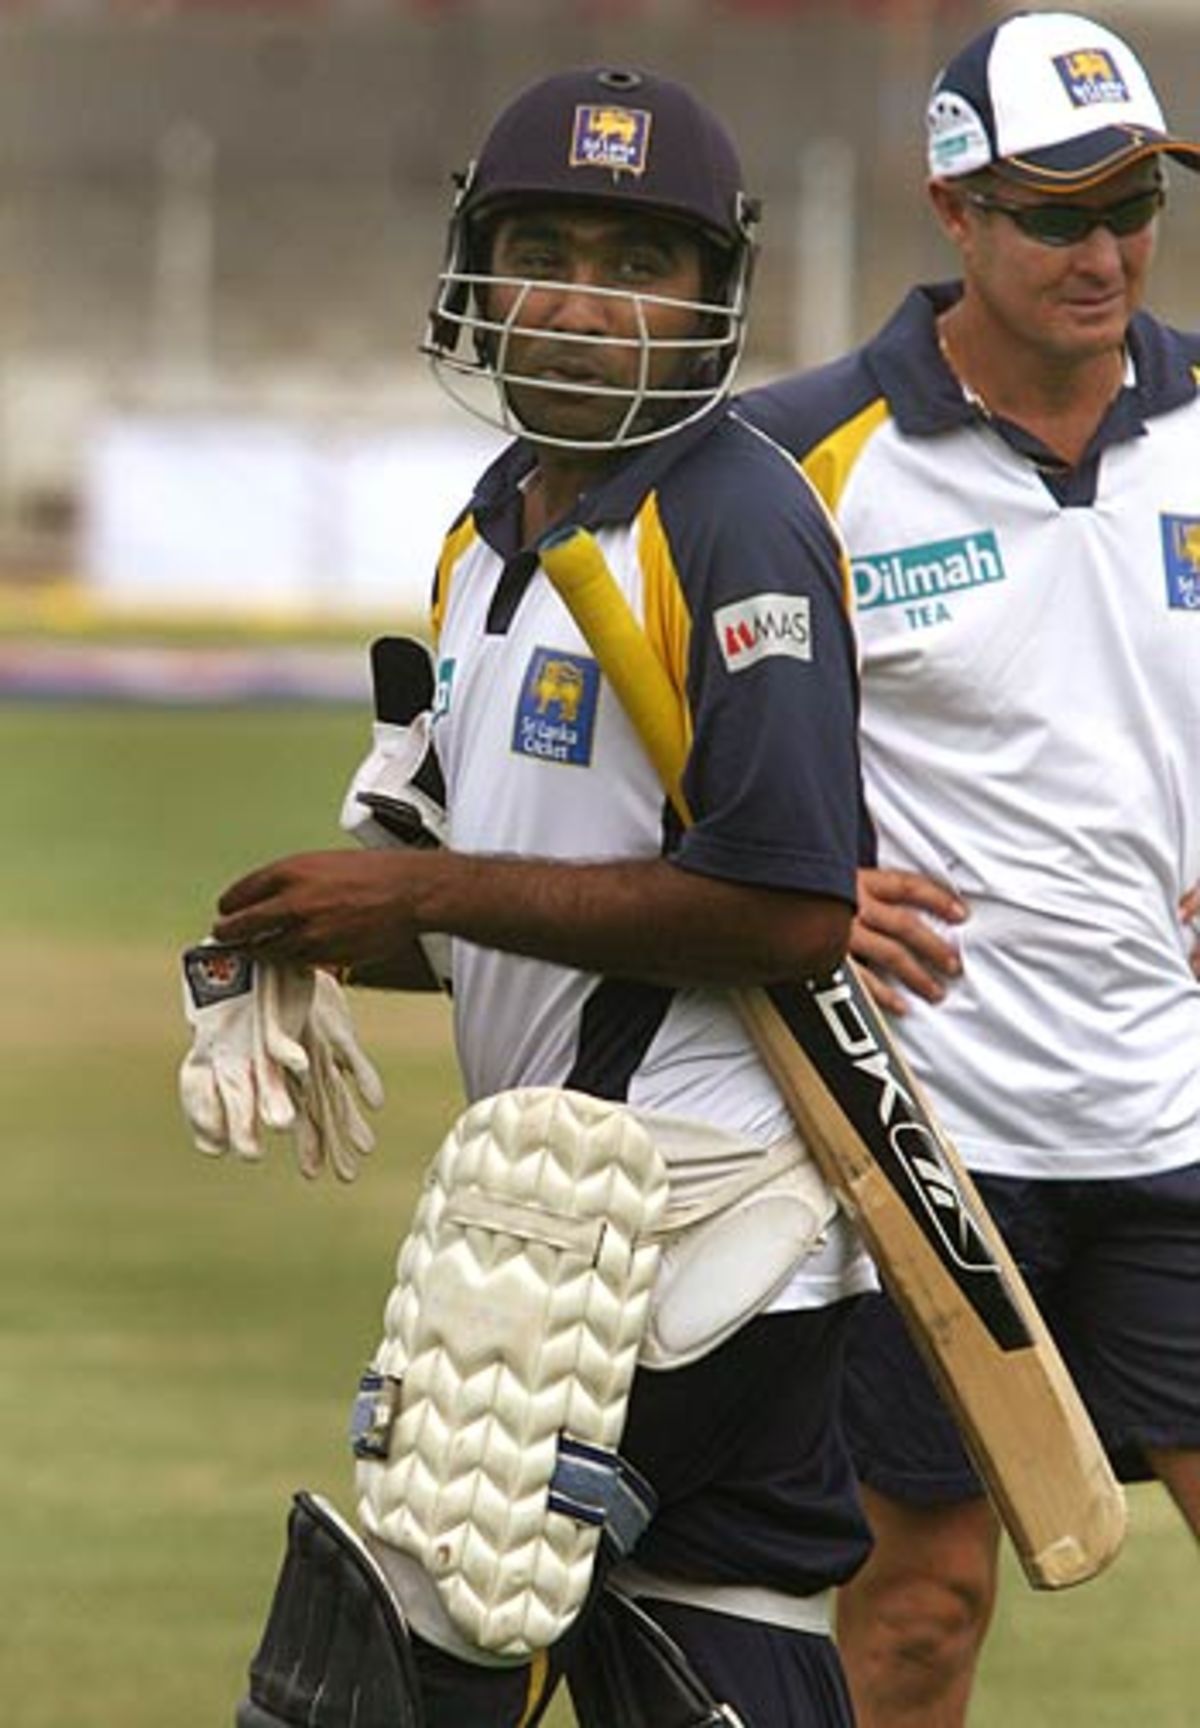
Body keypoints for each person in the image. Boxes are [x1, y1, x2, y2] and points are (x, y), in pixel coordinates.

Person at [202, 66, 879, 1728]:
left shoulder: (731, 522)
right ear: (477, 271)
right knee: (728, 1651)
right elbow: (519, 898)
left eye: (640, 262)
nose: (587, 301)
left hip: (689, 1211)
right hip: (565, 1199)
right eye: (550, 248)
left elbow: (791, 908)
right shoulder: (491, 527)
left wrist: (425, 898)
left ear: (716, 292)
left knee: (387, 1674)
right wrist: (322, 944)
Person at [740, 9, 1200, 1725]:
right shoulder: (802, 456)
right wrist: (796, 886)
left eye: (1135, 202)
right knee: (919, 1616)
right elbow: (673, 755)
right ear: (953, 209)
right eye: (1054, 212)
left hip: (1179, 1121)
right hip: (928, 1144)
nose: (1106, 251)